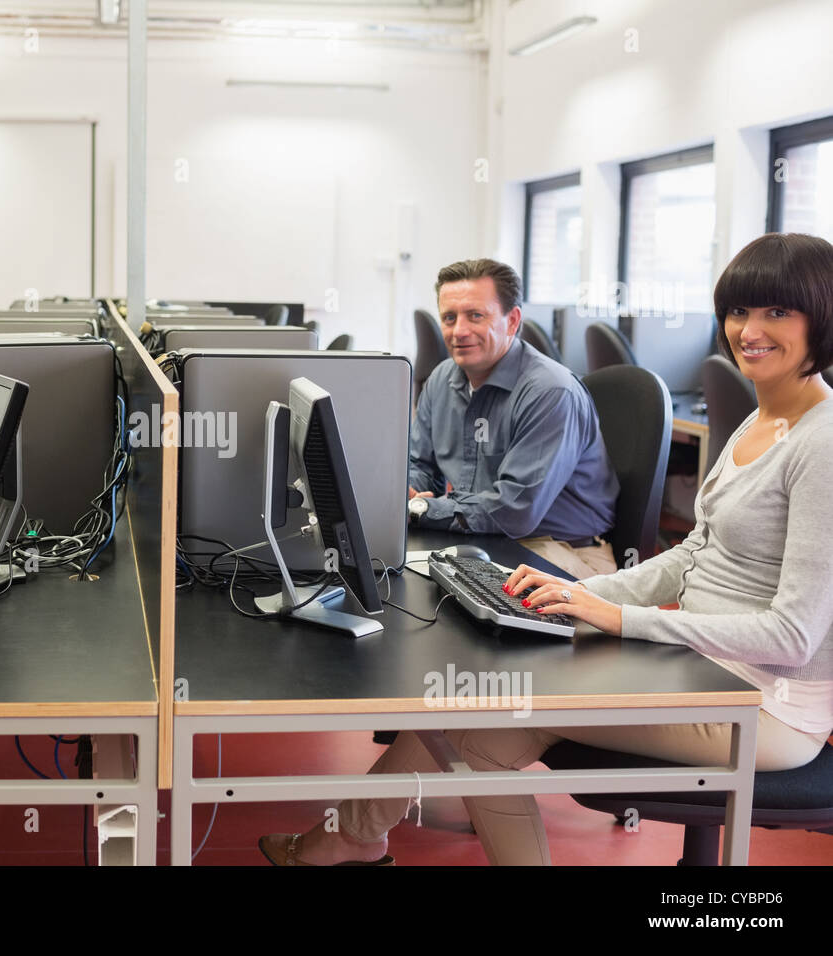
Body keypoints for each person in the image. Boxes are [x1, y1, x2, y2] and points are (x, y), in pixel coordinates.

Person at [259, 233, 833, 866]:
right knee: (480, 708)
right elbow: (695, 549)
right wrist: (581, 595)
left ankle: (347, 840)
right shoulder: (760, 421)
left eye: (778, 312)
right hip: (702, 665)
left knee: (483, 707)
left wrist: (622, 619)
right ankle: (352, 840)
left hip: (763, 708)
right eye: (739, 311)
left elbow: (794, 637)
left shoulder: (821, 445)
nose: (749, 330)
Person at [406, 258, 619, 579]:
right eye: (449, 318)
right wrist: (408, 491)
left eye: (475, 316)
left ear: (512, 320)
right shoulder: (441, 379)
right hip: (486, 537)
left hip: (558, 552)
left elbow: (514, 510)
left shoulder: (551, 391)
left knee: (459, 619)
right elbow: (420, 464)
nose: (459, 331)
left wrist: (421, 510)